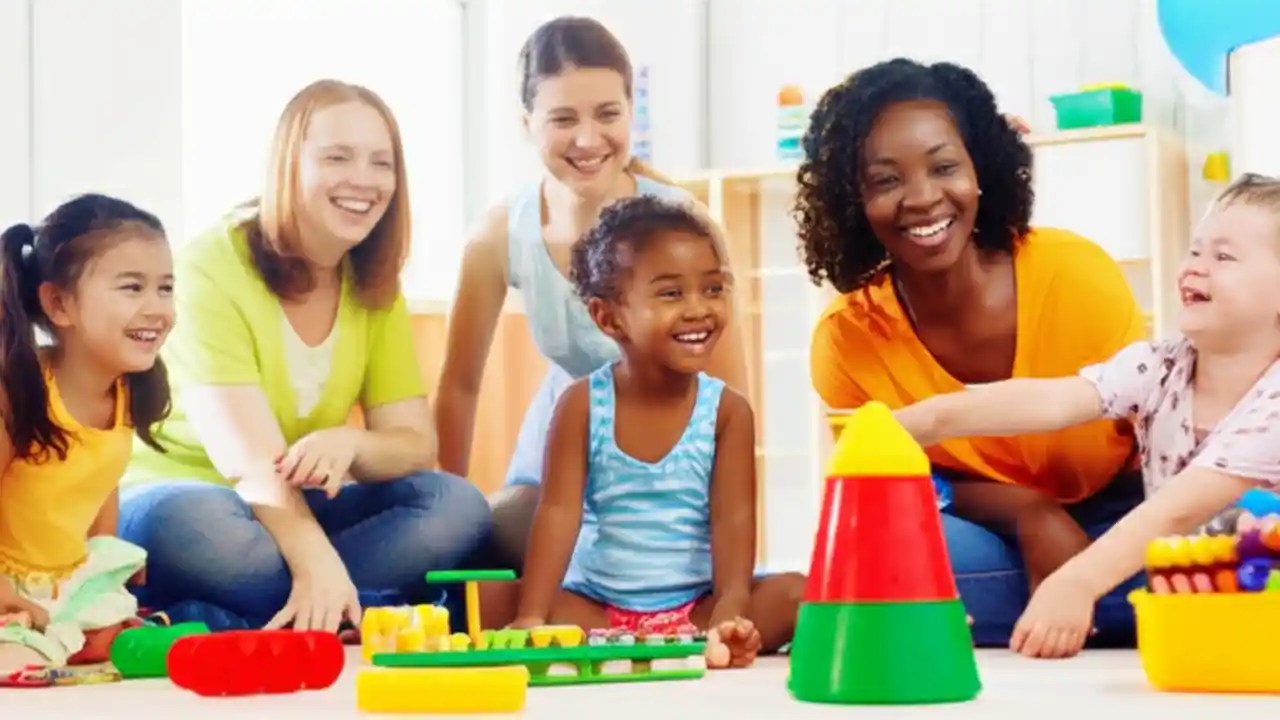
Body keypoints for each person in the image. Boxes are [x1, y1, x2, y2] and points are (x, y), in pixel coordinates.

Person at [119, 79, 491, 633]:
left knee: (456, 505)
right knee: (195, 524)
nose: (363, 180)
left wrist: (354, 444)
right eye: (337, 157)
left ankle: (228, 618)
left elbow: (415, 445)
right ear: (289, 165)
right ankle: (359, 607)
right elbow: (251, 465)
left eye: (380, 163)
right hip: (198, 503)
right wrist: (314, 561)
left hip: (300, 511)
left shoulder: (373, 283)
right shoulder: (209, 268)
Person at [797, 58, 1147, 646]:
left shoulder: (1076, 274)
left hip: (1120, 515)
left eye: (944, 167)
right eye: (886, 180)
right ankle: (1105, 610)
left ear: (980, 167)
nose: (923, 198)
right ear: (852, 199)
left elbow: (1162, 439)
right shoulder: (846, 339)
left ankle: (1055, 604)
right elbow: (900, 482)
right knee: (883, 542)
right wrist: (1030, 514)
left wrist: (1094, 559)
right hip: (989, 532)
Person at [894, 172, 1280, 658]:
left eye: (1223, 257)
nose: (1195, 267)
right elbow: (1055, 401)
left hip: (1255, 601)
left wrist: (1074, 584)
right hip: (1182, 580)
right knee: (923, 545)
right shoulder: (1162, 364)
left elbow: (1180, 507)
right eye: (1195, 251)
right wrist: (930, 419)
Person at [435, 16, 748, 572]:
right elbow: (459, 387)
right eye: (562, 119)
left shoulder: (685, 223)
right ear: (526, 122)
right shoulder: (499, 235)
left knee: (632, 566)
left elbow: (731, 394)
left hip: (668, 447)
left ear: (632, 112)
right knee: (503, 538)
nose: (587, 139)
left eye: (608, 114)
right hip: (563, 436)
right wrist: (444, 513)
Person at [505, 196, 802, 669]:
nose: (699, 310)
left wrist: (729, 617)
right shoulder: (582, 405)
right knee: (499, 601)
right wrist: (533, 616)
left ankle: (711, 639)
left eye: (713, 289)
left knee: (796, 594)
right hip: (601, 609)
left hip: (698, 607)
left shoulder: (727, 412)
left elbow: (734, 523)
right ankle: (615, 637)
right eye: (670, 294)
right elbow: (559, 513)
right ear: (608, 317)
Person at [0, 194, 174, 673]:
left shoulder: (126, 390)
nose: (157, 308)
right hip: (6, 580)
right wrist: (6, 597)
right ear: (58, 303)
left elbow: (102, 478)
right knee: (19, 659)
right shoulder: (19, 389)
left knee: (120, 645)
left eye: (165, 288)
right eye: (132, 287)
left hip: (63, 579)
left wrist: (106, 563)